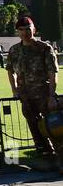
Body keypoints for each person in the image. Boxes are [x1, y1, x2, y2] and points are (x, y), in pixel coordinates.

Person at [6, 15, 60, 170]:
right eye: (21, 30)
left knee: (52, 125)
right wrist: (14, 89)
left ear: (34, 30)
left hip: (43, 94)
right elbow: (10, 71)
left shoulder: (44, 48)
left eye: (28, 29)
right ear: (18, 32)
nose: (25, 33)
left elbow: (52, 72)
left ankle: (59, 156)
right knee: (34, 126)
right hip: (26, 97)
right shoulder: (14, 50)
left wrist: (51, 95)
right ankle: (44, 155)